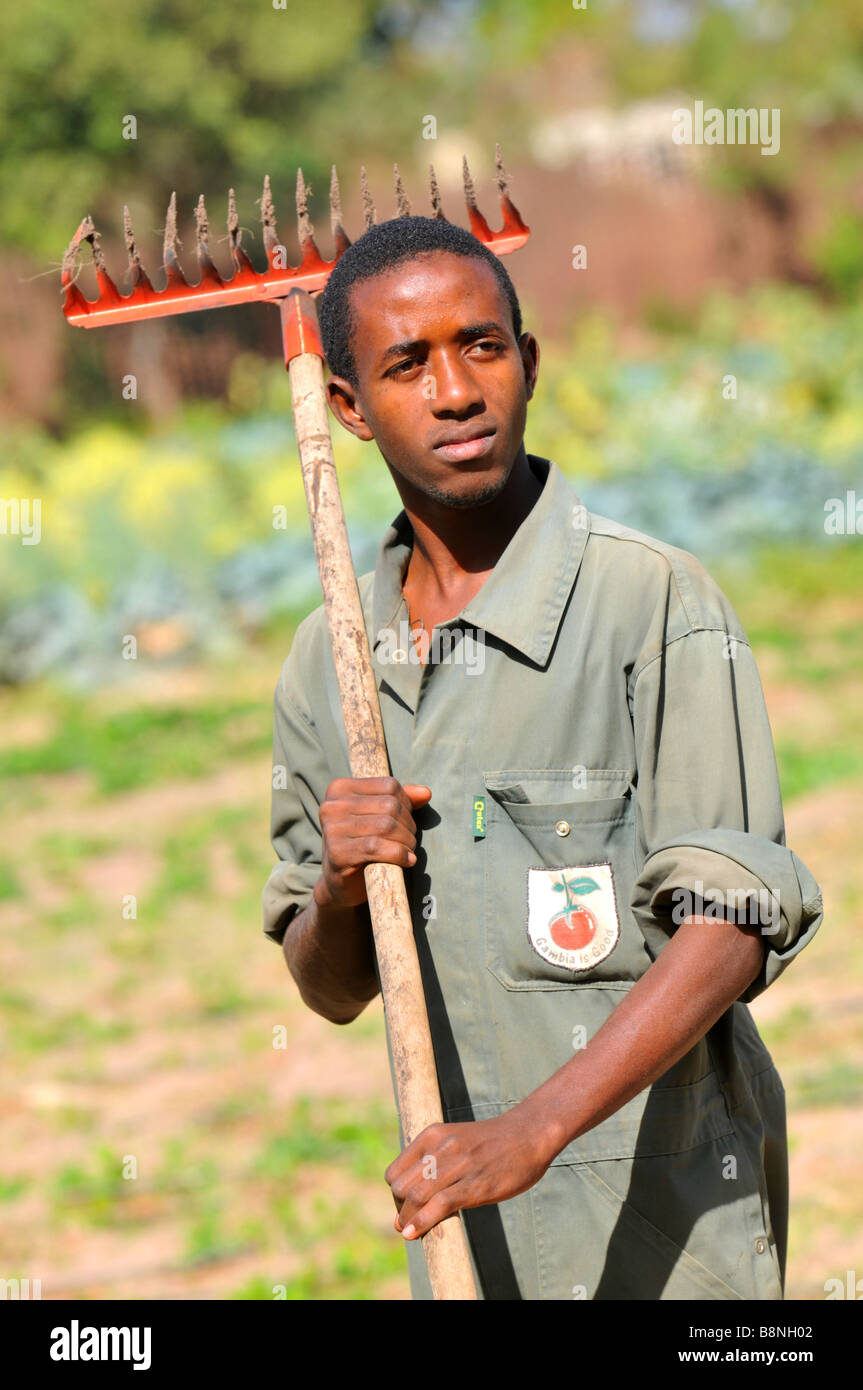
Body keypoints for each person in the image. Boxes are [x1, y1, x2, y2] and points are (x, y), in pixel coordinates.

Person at [261, 215, 823, 1300]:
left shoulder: (648, 602)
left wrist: (529, 1133)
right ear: (347, 410)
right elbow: (329, 989)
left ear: (529, 361)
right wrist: (339, 881)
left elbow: (731, 928)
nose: (456, 391)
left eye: (481, 346)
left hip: (671, 1236)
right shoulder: (325, 668)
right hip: (469, 1246)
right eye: (406, 364)